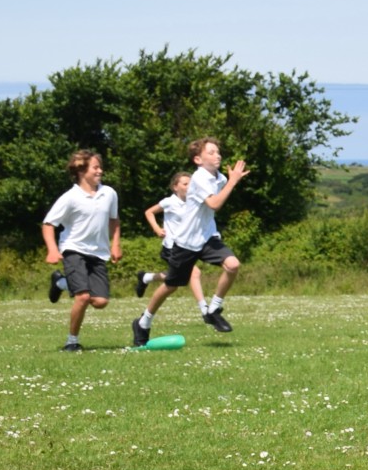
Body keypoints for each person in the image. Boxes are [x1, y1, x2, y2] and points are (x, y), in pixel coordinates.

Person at [133, 138, 246, 347]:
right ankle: (143, 322)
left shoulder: (219, 178)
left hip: (208, 238)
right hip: (186, 242)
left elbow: (218, 195)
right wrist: (233, 181)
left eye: (218, 152)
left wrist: (229, 180)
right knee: (171, 286)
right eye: (211, 152)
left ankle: (213, 309)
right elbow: (214, 204)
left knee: (233, 264)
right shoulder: (199, 178)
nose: (217, 155)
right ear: (198, 159)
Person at [42, 150, 122, 351]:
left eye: (100, 167)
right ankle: (71, 342)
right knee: (83, 296)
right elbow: (48, 224)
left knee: (101, 301)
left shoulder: (109, 194)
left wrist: (115, 244)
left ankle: (60, 283)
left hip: (98, 253)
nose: (100, 171)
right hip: (73, 249)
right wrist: (52, 250)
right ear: (81, 171)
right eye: (95, 167)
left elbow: (114, 220)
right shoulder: (70, 197)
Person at [135, 171, 207, 311]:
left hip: (187, 247)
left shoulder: (194, 203)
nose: (190, 186)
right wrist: (157, 228)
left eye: (192, 184)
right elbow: (149, 212)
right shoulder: (169, 202)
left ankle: (146, 277)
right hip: (171, 247)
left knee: (179, 278)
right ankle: (204, 308)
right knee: (194, 272)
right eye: (185, 184)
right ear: (175, 187)